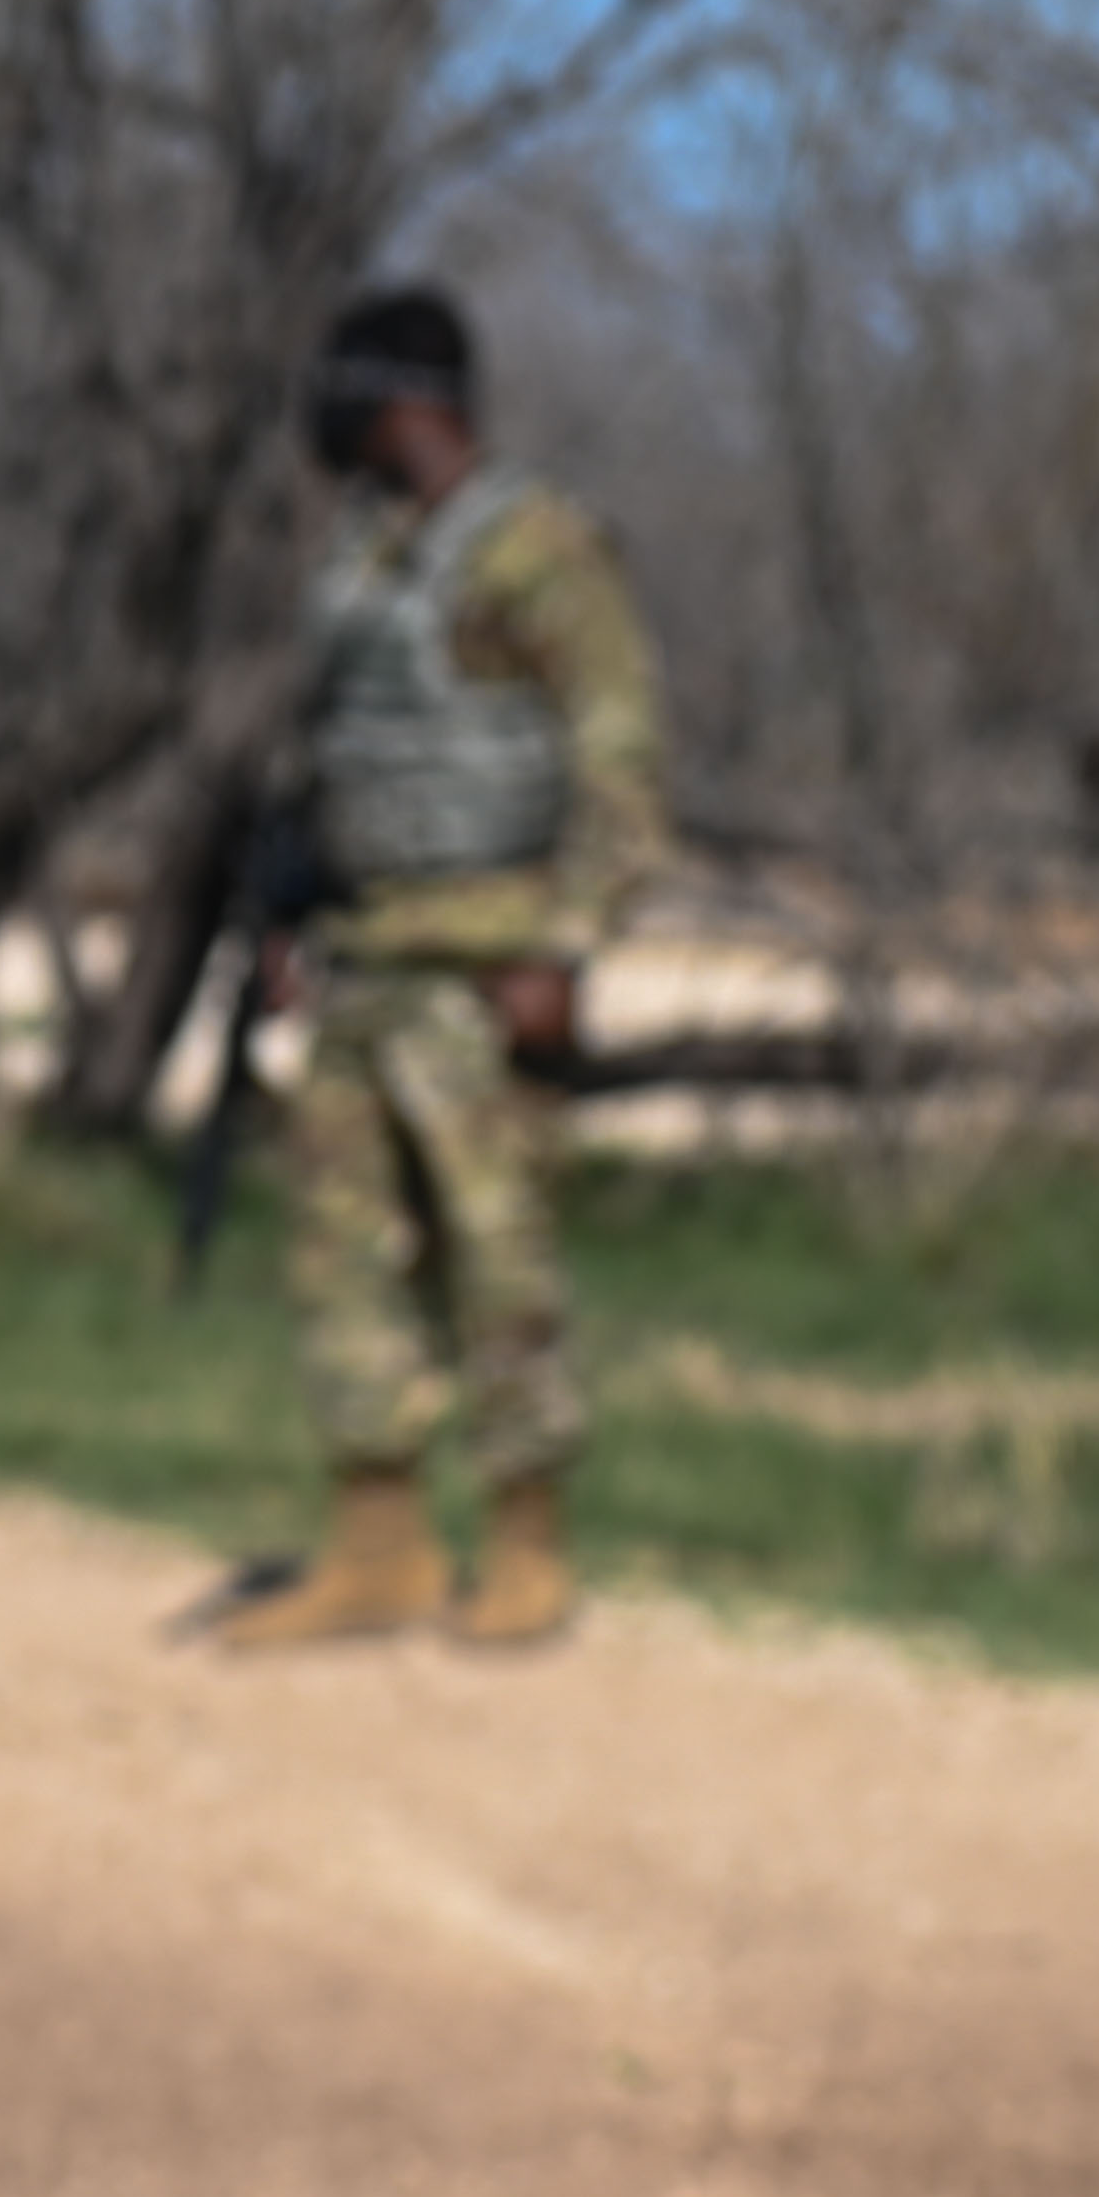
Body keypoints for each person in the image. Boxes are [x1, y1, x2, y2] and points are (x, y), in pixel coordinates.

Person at [213, 282, 665, 1652]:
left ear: (415, 397)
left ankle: (527, 1543)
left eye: (351, 388)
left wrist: (568, 945)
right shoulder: (360, 555)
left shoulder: (537, 548)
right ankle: (380, 1543)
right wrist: (287, 923)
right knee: (346, 1257)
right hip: (364, 953)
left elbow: (620, 760)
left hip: (484, 960)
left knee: (498, 1255)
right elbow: (334, 754)